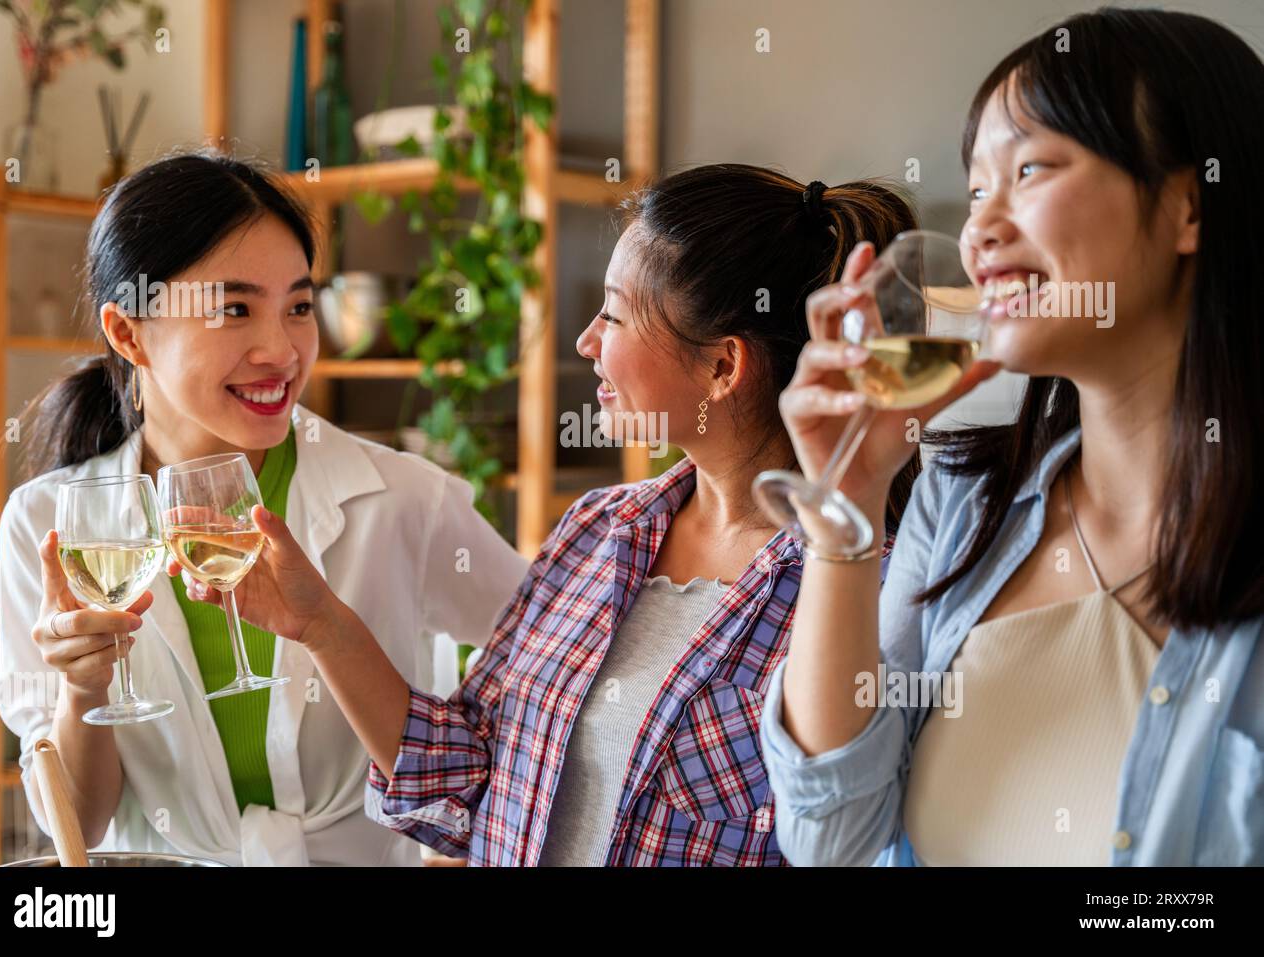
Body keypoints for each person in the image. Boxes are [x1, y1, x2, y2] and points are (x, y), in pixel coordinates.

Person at [175, 162, 920, 865]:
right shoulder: (599, 530)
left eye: (616, 317)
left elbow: (841, 832)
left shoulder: (860, 588)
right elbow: (462, 784)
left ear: (722, 367)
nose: (586, 341)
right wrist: (321, 624)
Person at [762, 7, 1264, 866]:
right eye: (977, 185)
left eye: (1030, 168)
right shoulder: (961, 504)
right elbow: (829, 839)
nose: (979, 231)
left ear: (1189, 205)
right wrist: (843, 508)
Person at [0, 151, 527, 866]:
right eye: (234, 309)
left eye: (299, 307)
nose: (281, 351)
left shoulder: (402, 498)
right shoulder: (48, 525)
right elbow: (80, 828)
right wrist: (82, 687)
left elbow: (563, 666)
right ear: (127, 333)